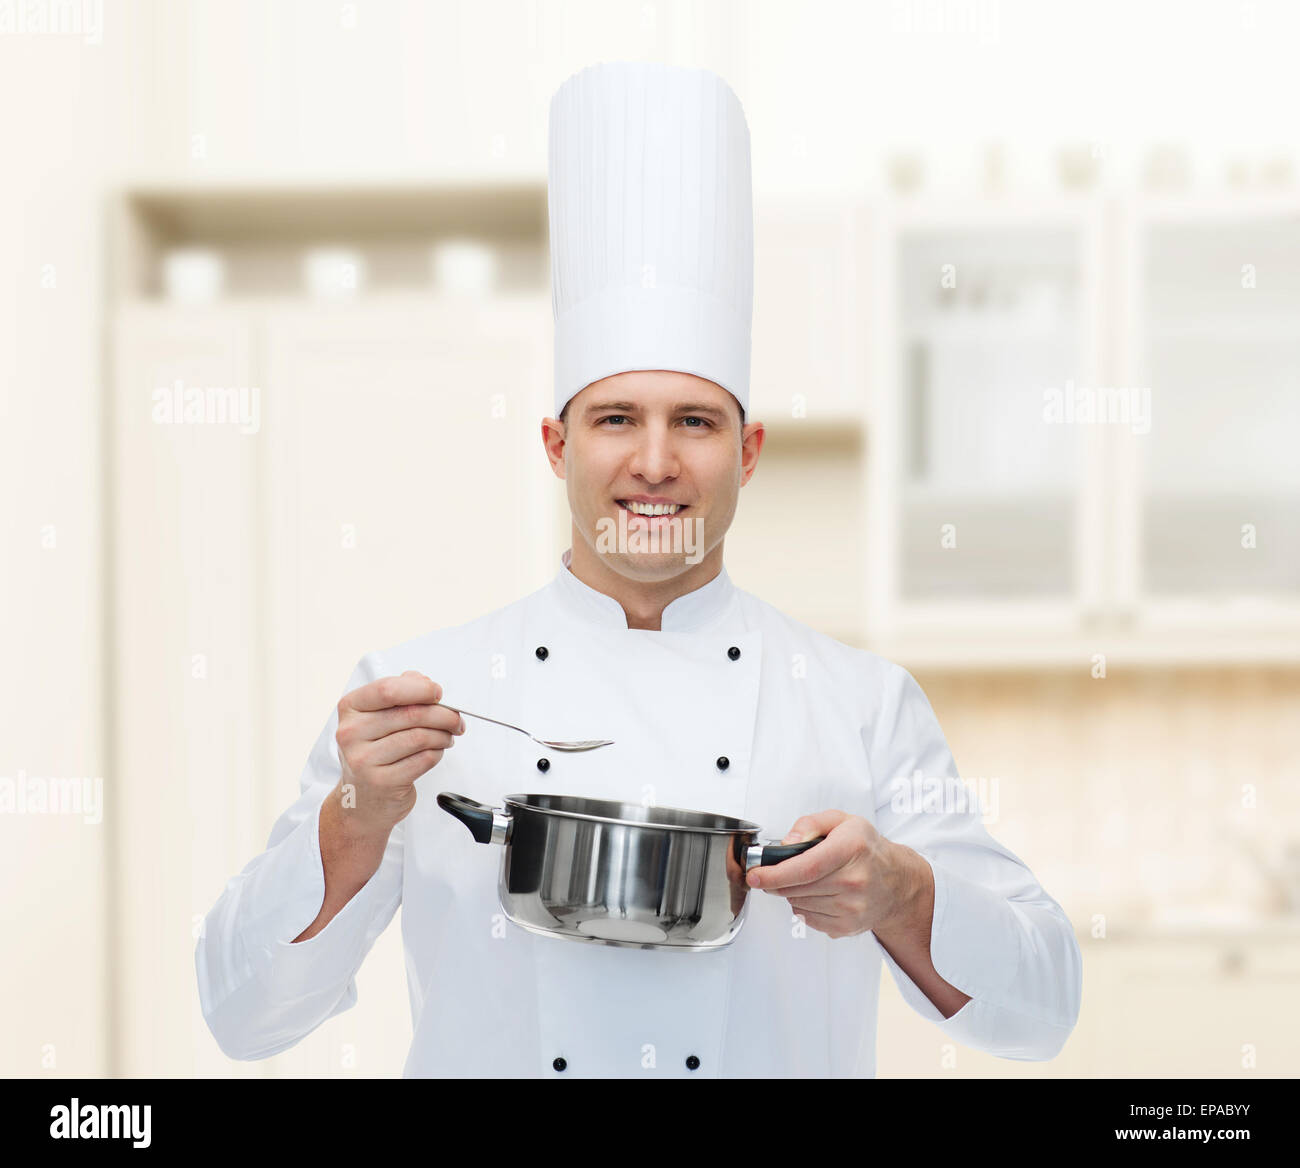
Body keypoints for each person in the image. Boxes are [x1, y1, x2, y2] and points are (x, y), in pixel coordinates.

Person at [195, 60, 1082, 1078]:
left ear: (746, 452)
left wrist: (904, 893)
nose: (654, 462)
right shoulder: (413, 704)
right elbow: (240, 1019)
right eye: (615, 418)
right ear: (555, 444)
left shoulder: (860, 704)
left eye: (694, 422)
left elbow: (1043, 1009)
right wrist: (352, 820)